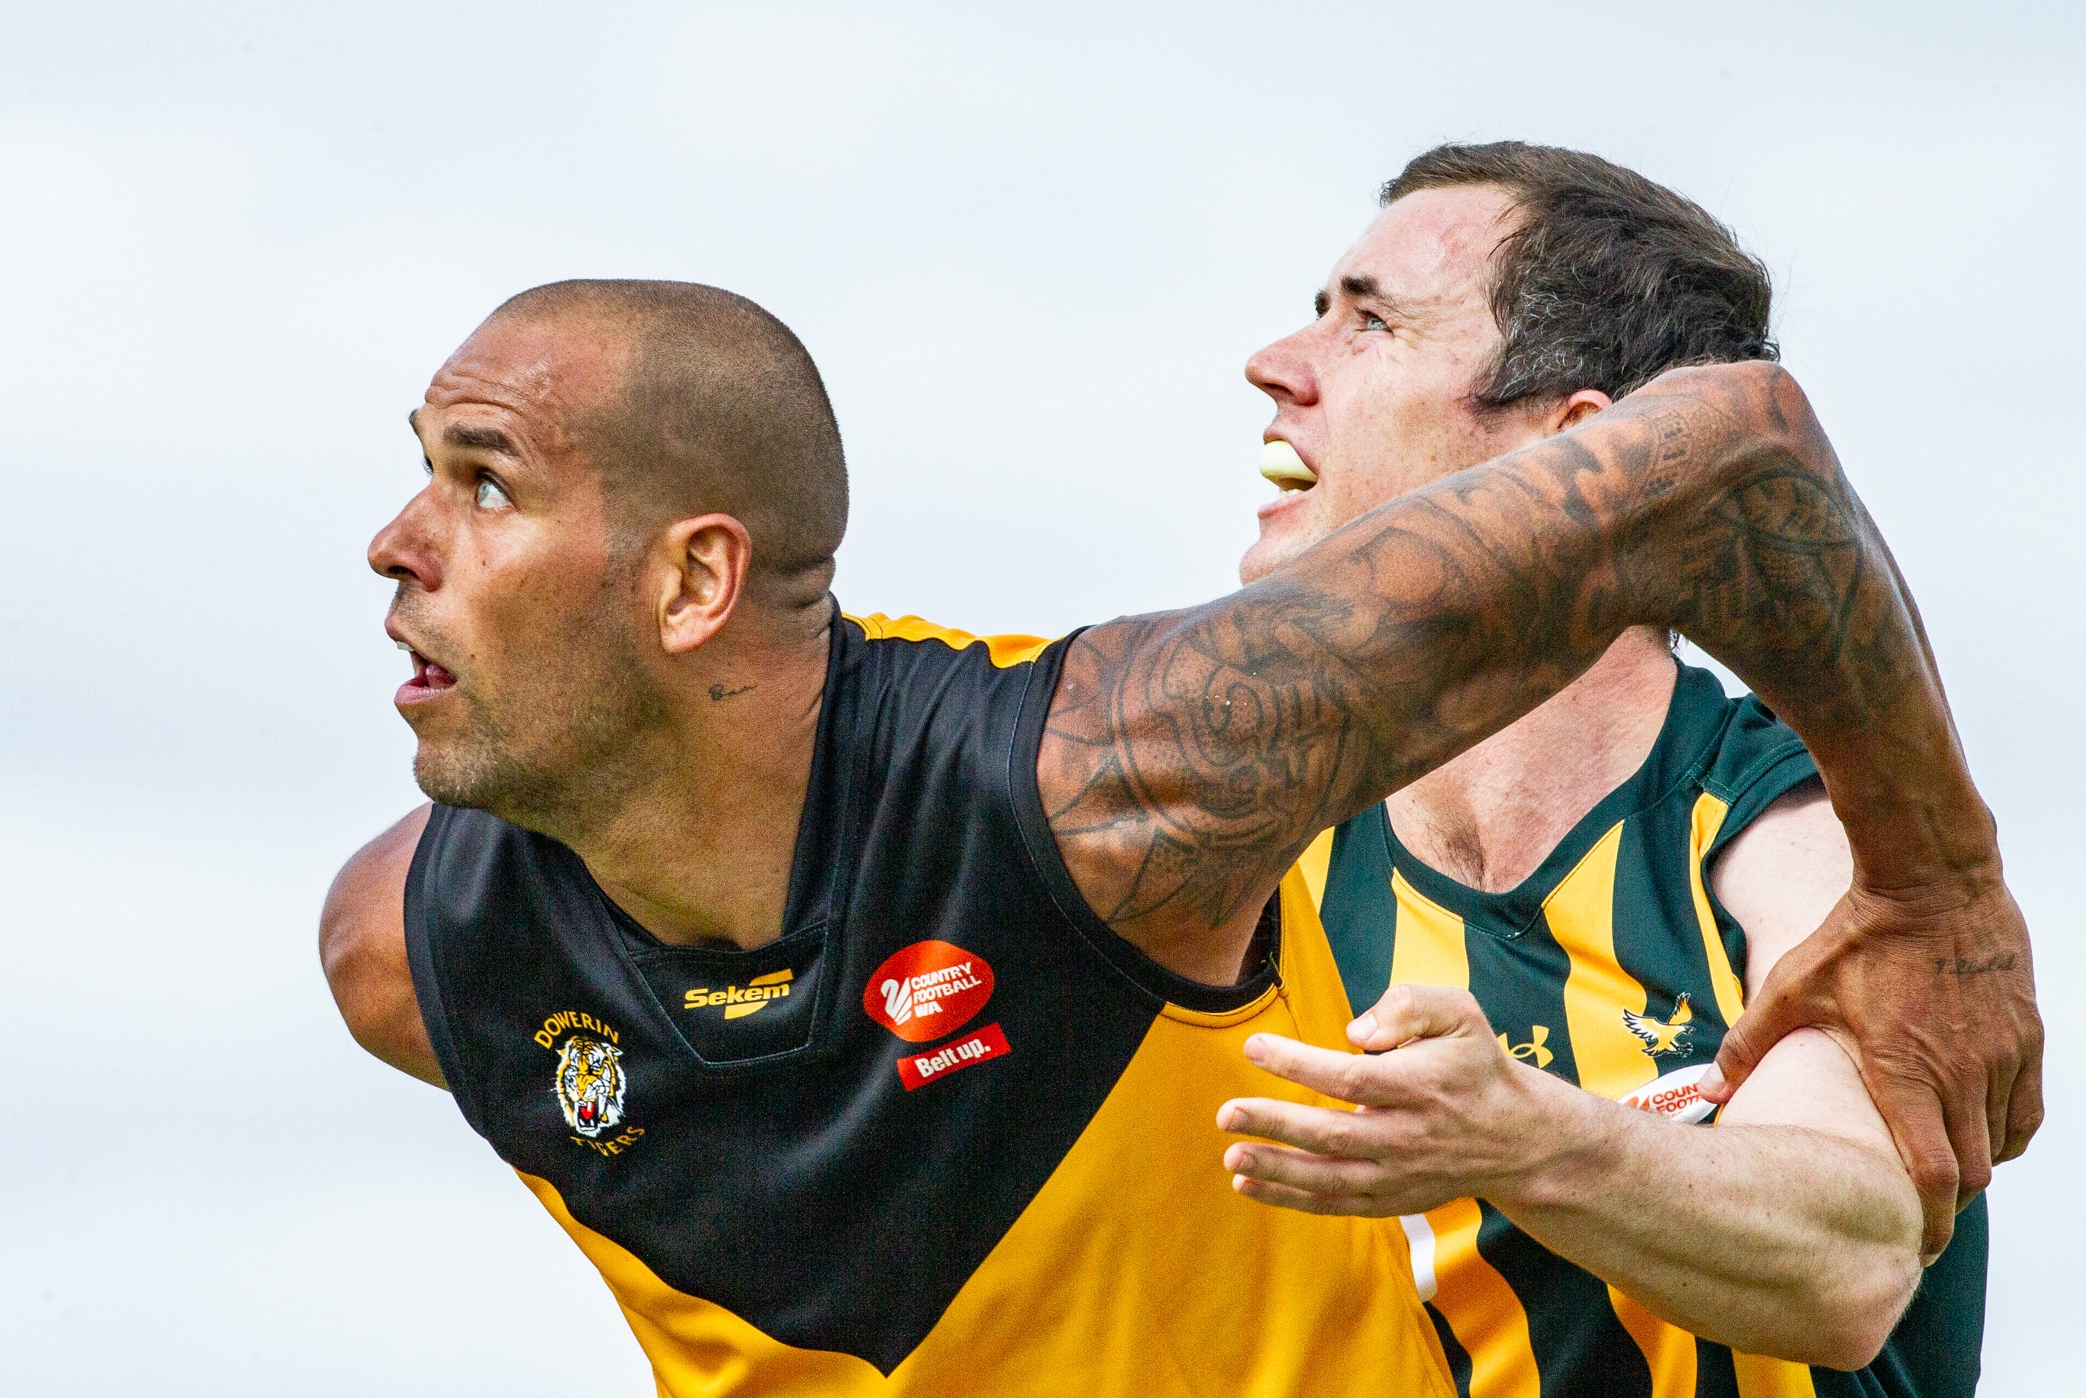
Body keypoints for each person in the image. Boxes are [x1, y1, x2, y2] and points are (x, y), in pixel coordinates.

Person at [319, 268, 2033, 1395]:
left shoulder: (1111, 789)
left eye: (485, 480)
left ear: (696, 577)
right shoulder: (410, 956)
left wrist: (1942, 894)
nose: (396, 539)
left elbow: (1734, 457)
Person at [1213, 143, 1998, 1395]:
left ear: (1575, 457)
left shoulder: (1785, 825)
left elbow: (1847, 1266)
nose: (1274, 363)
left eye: (1369, 322)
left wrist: (1517, 1137)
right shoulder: (1263, 861)